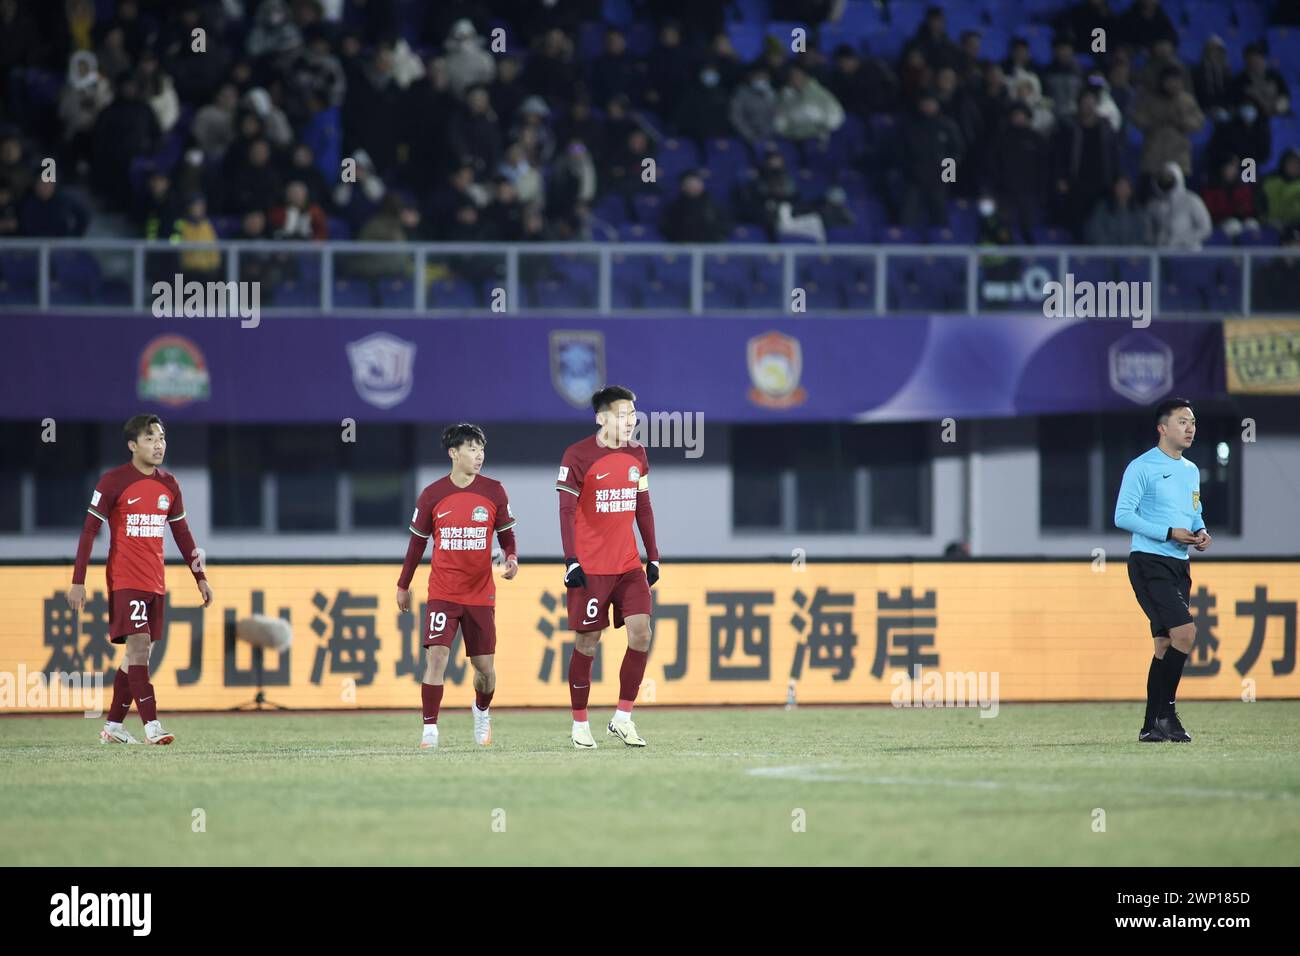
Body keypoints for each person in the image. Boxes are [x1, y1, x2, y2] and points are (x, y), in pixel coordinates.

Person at [67, 415, 213, 746]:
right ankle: (153, 727)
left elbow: (183, 534)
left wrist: (200, 577)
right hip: (125, 579)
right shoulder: (113, 482)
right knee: (138, 647)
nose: (158, 444)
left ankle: (114, 726)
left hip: (155, 582)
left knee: (136, 655)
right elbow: (90, 530)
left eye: (161, 438)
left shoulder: (169, 484)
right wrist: (78, 580)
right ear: (133, 446)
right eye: (150, 439)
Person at [397, 424, 517, 750]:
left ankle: (481, 710)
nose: (479, 456)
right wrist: (403, 584)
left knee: (485, 671)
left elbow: (506, 535)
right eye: (472, 449)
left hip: (480, 595)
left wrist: (512, 558)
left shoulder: (494, 491)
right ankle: (430, 731)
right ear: (454, 453)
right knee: (437, 657)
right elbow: (416, 544)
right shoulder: (433, 495)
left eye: (481, 449)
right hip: (443, 593)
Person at [556, 386, 660, 749]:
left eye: (633, 414)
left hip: (628, 565)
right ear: (601, 418)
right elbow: (566, 512)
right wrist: (571, 560)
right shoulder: (578, 455)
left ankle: (623, 718)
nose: (630, 421)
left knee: (641, 633)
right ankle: (580, 723)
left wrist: (654, 555)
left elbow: (642, 507)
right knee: (587, 641)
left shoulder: (638, 453)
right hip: (591, 567)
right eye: (622, 414)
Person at [1114, 399, 1209, 743]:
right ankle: (1166, 715)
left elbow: (1193, 511)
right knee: (1185, 633)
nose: (1190, 428)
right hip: (1149, 562)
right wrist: (1169, 532)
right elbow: (1122, 516)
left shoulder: (1191, 469)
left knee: (1165, 644)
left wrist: (1201, 531)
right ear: (1162, 428)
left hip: (1179, 563)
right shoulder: (1141, 467)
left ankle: (1150, 727)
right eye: (1182, 421)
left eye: (1193, 422)